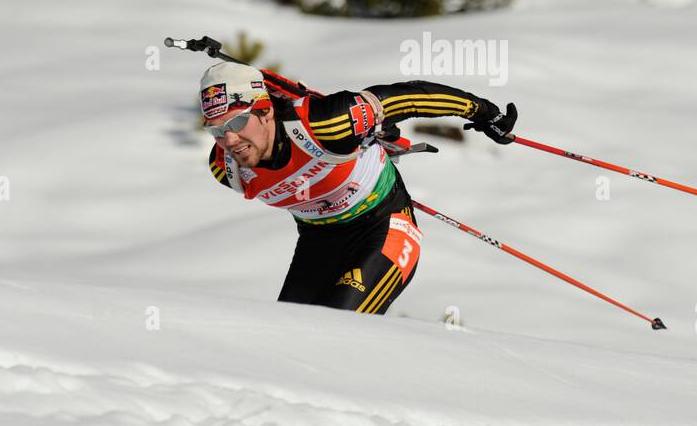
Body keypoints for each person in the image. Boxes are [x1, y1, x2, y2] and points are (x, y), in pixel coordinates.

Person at [199, 61, 518, 315]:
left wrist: (482, 111)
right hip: (318, 242)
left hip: (382, 227)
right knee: (288, 340)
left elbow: (408, 97)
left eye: (237, 123)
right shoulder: (226, 169)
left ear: (265, 110)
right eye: (216, 130)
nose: (230, 141)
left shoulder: (326, 123)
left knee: (334, 334)